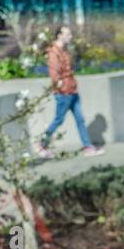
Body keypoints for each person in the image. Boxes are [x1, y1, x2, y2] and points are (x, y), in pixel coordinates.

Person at [37, 25, 102, 158]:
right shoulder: (54, 53)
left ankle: (87, 146)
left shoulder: (64, 51)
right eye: (67, 34)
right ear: (59, 35)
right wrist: (62, 88)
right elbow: (54, 75)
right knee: (58, 120)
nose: (70, 37)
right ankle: (42, 144)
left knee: (80, 119)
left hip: (73, 91)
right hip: (64, 93)